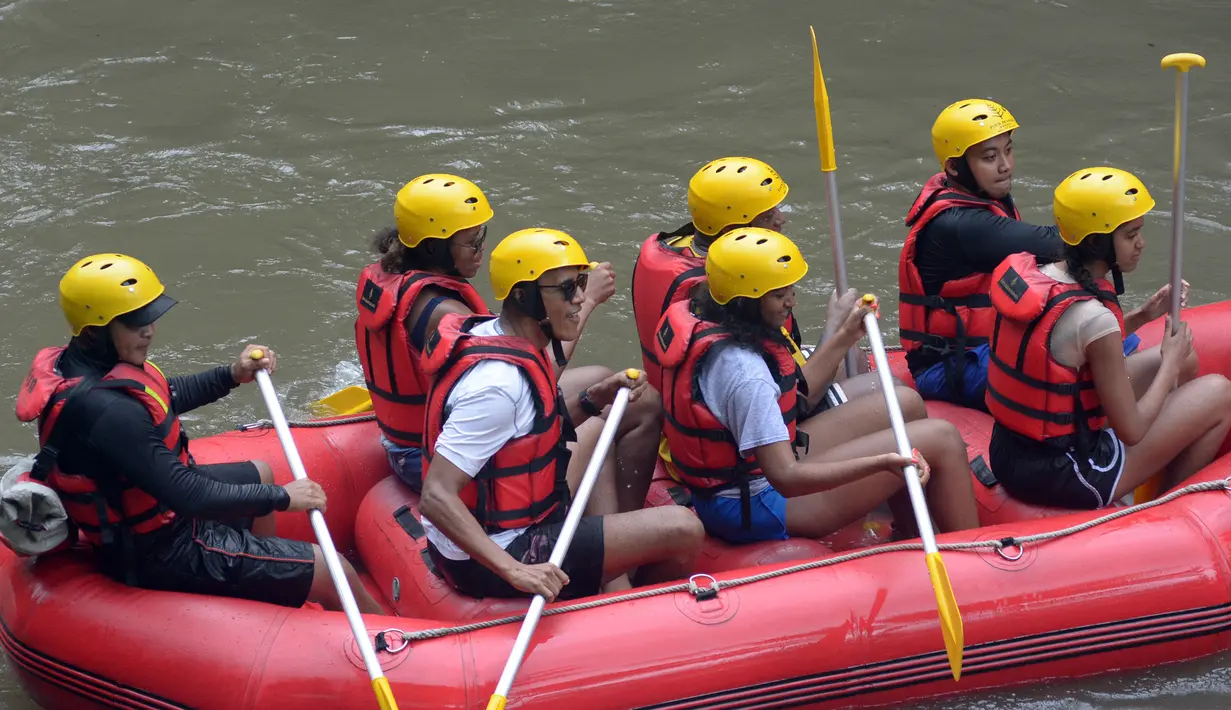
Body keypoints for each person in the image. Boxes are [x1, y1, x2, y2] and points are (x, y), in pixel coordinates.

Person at [15, 254, 382, 612]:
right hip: (157, 550)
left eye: (149, 318)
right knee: (331, 569)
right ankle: (394, 635)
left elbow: (164, 396)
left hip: (161, 515)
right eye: (134, 323)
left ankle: (271, 595)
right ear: (94, 332)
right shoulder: (106, 411)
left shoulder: (86, 365)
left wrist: (231, 374)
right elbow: (188, 495)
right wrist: (282, 497)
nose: (149, 330)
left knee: (261, 471)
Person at [418, 228, 703, 602]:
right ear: (524, 297)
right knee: (685, 528)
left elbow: (528, 431)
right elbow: (436, 495)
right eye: (567, 289)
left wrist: (591, 399)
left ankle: (615, 576)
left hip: (518, 518)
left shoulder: (504, 335)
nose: (580, 298)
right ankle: (625, 594)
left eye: (581, 284)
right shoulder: (496, 387)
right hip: (495, 554)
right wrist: (513, 569)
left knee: (605, 423)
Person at [655, 228, 980, 544]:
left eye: (790, 290)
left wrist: (846, 333)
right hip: (757, 502)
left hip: (748, 476)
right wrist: (882, 461)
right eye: (779, 295)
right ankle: (974, 555)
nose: (791, 302)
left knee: (903, 403)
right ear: (745, 302)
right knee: (943, 438)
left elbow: (797, 399)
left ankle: (909, 535)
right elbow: (786, 478)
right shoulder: (746, 373)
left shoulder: (712, 318)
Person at [357, 174, 660, 510]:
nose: (481, 248)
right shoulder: (445, 315)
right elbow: (535, 378)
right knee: (614, 417)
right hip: (431, 457)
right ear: (433, 247)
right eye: (471, 242)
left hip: (410, 439)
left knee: (602, 376)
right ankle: (622, 530)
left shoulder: (397, 276)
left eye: (481, 236)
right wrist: (586, 301)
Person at [986, 167, 1228, 509]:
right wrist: (1170, 364)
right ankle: (1163, 509)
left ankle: (1166, 451)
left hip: (1010, 454)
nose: (1141, 243)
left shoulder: (1043, 276)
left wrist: (1144, 315)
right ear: (1096, 242)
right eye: (1131, 235)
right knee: (1220, 392)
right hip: (1068, 472)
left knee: (1184, 358)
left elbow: (1070, 346)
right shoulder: (1093, 317)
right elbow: (1133, 431)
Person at [899, 99, 1144, 410]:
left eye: (1008, 150)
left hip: (981, 346)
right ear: (954, 167)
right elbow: (1060, 244)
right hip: (948, 366)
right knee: (1092, 354)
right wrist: (1111, 228)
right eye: (990, 157)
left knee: (1120, 342)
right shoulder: (959, 224)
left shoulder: (978, 195)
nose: (1005, 166)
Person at [632, 156, 882, 405]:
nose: (780, 220)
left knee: (853, 357)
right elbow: (795, 399)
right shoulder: (726, 290)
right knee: (885, 389)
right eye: (766, 217)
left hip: (684, 395)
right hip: (761, 411)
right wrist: (836, 325)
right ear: (731, 231)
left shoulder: (671, 248)